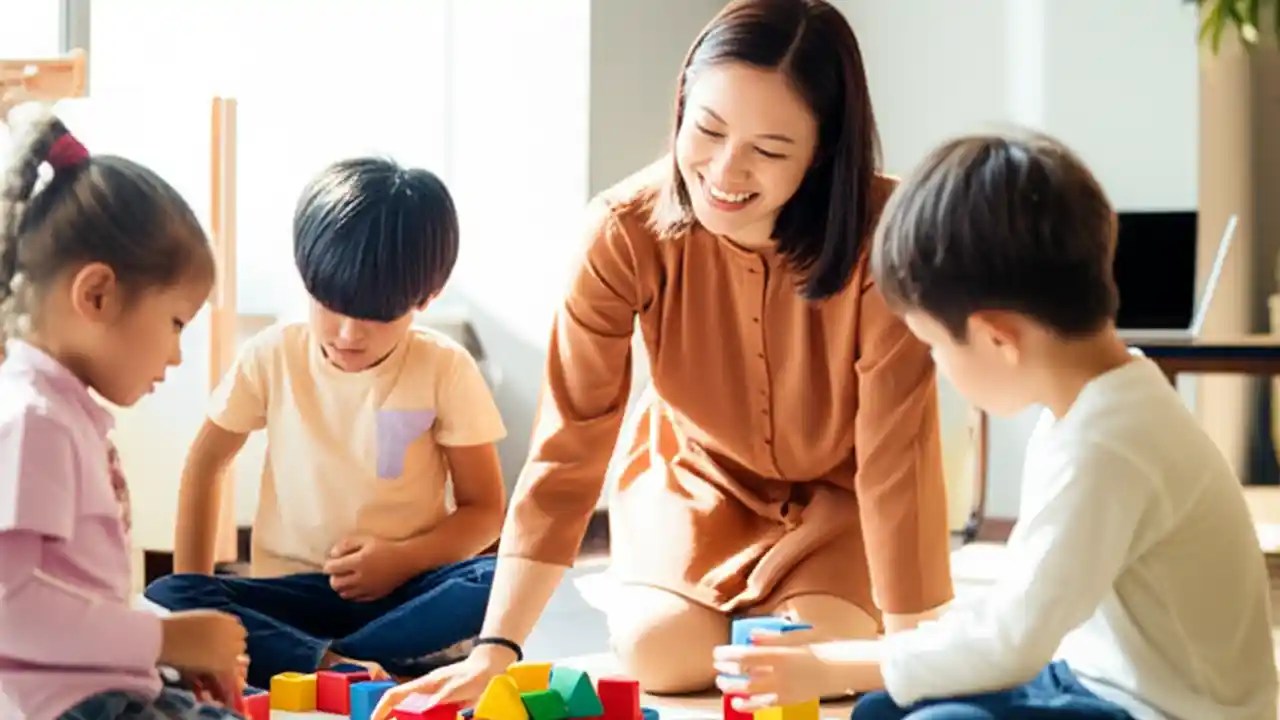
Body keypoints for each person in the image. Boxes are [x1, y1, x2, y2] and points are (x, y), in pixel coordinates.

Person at [375, 0, 954, 714]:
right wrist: (497, 650)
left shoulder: (889, 239)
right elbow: (570, 444)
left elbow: (898, 458)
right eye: (707, 129)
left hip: (838, 496)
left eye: (770, 150)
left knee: (800, 657)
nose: (724, 170)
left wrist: (912, 655)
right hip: (692, 480)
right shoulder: (623, 229)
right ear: (683, 102)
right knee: (664, 655)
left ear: (823, 151)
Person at [712, 131, 1279, 719]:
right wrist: (852, 660)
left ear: (995, 339)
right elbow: (1016, 619)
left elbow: (1012, 643)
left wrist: (832, 664)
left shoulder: (1110, 445)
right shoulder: (1097, 405)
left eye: (934, 345)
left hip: (1164, 711)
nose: (936, 366)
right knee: (881, 710)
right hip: (1094, 678)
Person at [142, 157, 508, 690]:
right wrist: (196, 621)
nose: (347, 333)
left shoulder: (446, 368)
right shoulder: (273, 355)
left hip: (403, 593)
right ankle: (337, 665)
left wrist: (402, 560)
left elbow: (486, 510)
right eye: (329, 303)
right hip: (289, 595)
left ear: (426, 297)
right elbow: (205, 464)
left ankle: (315, 663)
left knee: (502, 579)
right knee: (168, 596)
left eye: (376, 314)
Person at [0, 107, 249, 719]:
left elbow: (81, 595)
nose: (175, 355)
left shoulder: (63, 414)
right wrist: (164, 640)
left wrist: (169, 637)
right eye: (174, 324)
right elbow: (9, 609)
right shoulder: (33, 419)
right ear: (97, 294)